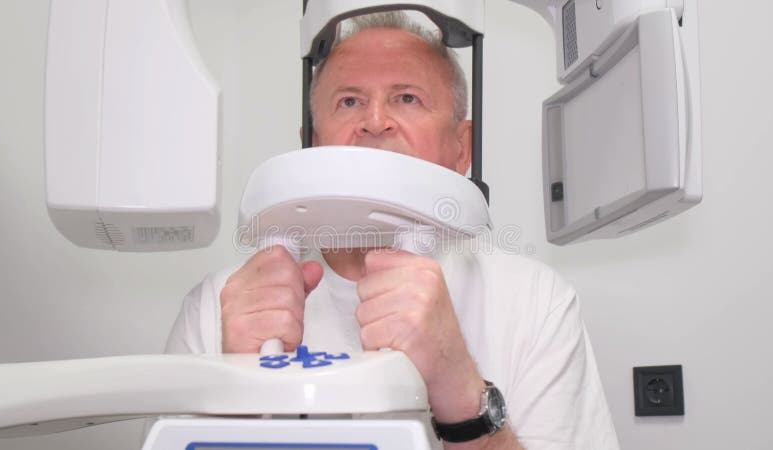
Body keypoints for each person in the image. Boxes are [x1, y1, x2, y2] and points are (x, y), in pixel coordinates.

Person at [165, 12, 619, 450]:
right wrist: (232, 402)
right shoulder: (219, 308)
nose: (376, 121)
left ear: (462, 149)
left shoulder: (536, 304)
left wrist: (459, 389)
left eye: (406, 98)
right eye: (349, 101)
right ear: (311, 144)